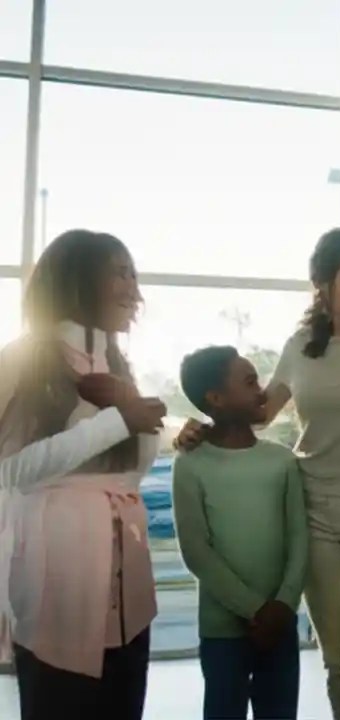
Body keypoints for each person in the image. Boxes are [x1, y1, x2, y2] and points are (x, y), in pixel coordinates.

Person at [176, 228, 340, 720]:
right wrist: (191, 429)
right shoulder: (300, 346)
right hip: (315, 512)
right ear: (322, 284)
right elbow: (257, 413)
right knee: (336, 661)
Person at [0, 230, 167, 720]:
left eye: (133, 273)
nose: (133, 288)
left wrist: (130, 411)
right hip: (57, 579)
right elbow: (10, 468)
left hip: (127, 581)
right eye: (119, 272)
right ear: (76, 279)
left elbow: (133, 470)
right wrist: (119, 420)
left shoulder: (115, 361)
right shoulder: (22, 359)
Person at [172, 346, 308, 720]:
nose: (261, 392)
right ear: (215, 399)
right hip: (223, 630)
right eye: (249, 383)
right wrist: (256, 610)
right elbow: (196, 551)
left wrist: (283, 605)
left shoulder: (282, 461)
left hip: (280, 622)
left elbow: (299, 538)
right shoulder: (191, 464)